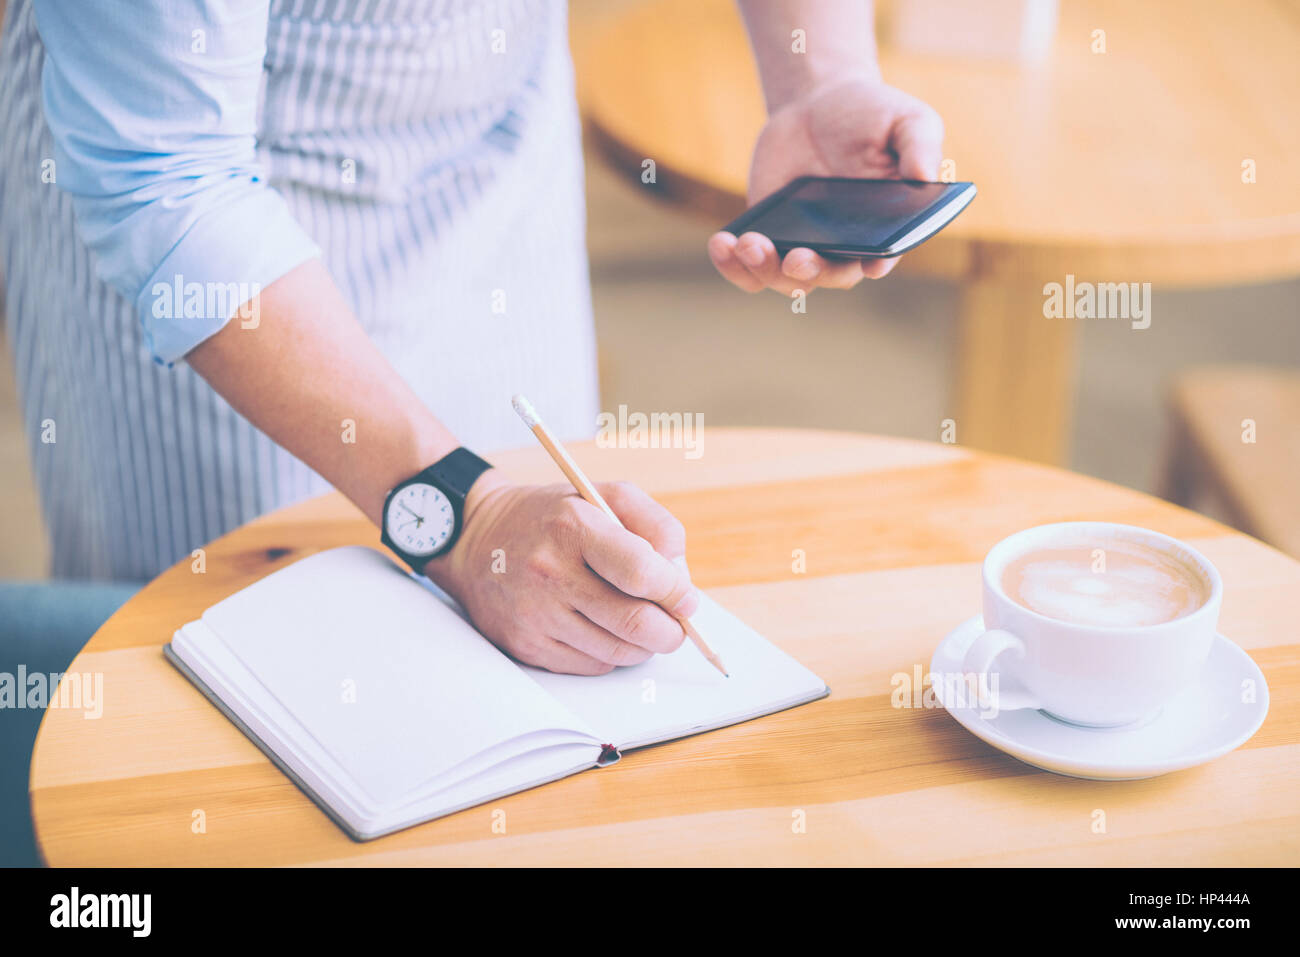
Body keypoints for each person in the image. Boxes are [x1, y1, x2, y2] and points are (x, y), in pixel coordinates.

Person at [0, 0, 943, 678]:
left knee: (561, 649)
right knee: (259, 706)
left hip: (493, 149)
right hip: (221, 259)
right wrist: (467, 513)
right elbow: (165, 173)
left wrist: (818, 75)